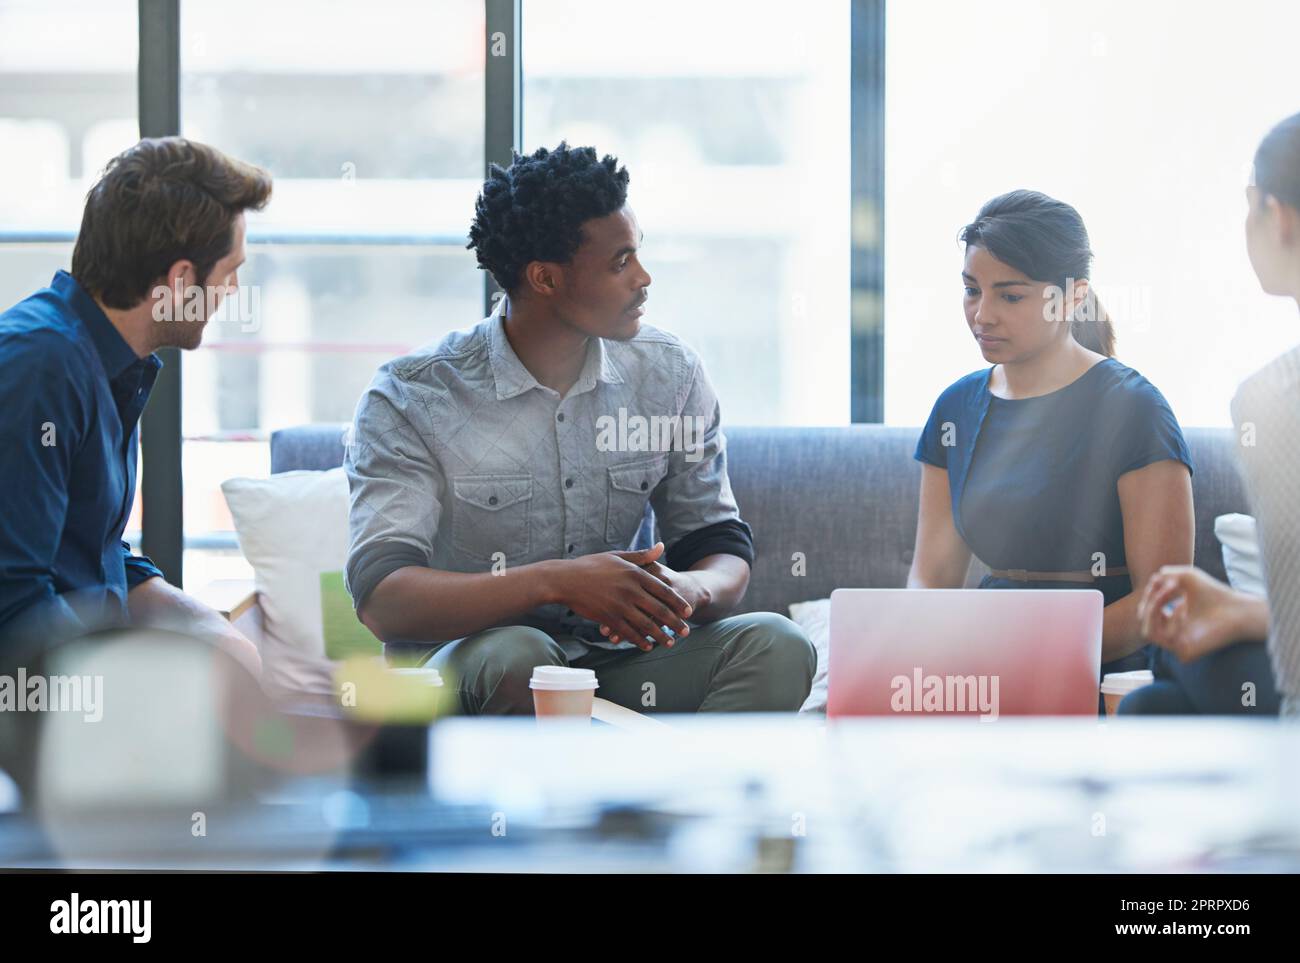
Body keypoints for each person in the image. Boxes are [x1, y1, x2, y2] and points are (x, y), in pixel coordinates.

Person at [343, 143, 814, 715]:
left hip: (616, 663)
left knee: (777, 644)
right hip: (468, 668)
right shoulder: (413, 396)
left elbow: (718, 546)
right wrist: (557, 582)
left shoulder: (671, 374)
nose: (644, 278)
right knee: (520, 654)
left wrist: (691, 589)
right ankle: (537, 806)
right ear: (544, 278)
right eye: (620, 262)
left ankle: (681, 797)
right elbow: (383, 599)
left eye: (638, 254)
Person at [909, 190, 1195, 711]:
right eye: (972, 291)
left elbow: (1162, 597)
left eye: (1010, 296)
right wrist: (922, 653)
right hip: (987, 664)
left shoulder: (1135, 408)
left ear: (1072, 295)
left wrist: (1033, 653)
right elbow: (932, 576)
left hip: (1110, 667)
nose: (982, 315)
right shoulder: (955, 408)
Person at [0, 137, 269, 675]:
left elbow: (88, 552)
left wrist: (207, 629)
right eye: (229, 271)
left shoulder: (103, 361)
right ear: (180, 280)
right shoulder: (40, 366)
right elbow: (16, 610)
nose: (235, 291)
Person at [1131, 112, 1300, 717]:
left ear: (1275, 216)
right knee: (1153, 705)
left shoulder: (1275, 399)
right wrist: (1245, 611)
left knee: (1167, 674)